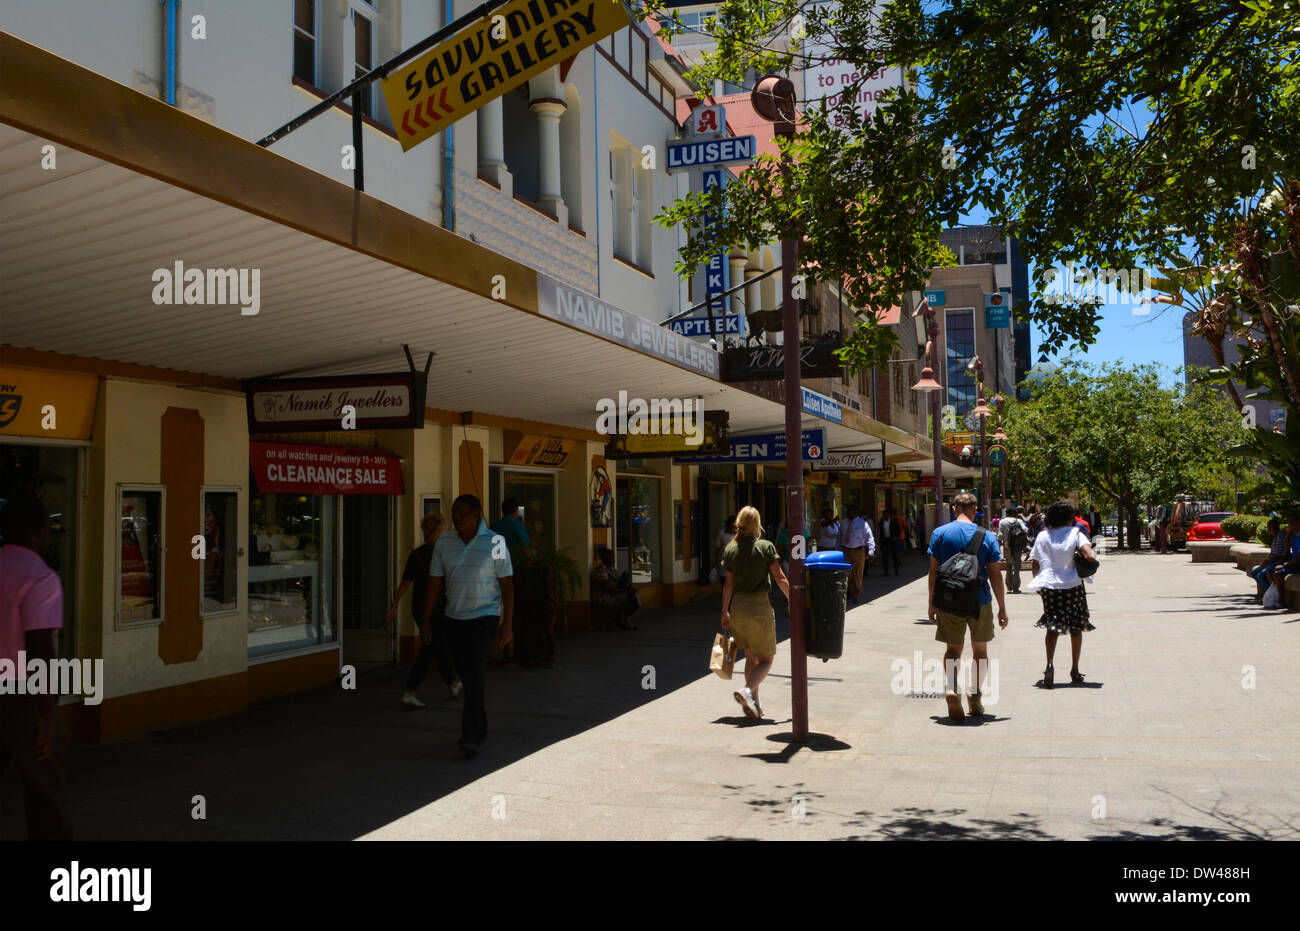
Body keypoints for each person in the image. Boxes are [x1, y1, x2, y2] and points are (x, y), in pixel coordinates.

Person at [0, 494, 74, 839]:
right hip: (21, 697)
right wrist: (46, 715)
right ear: (35, 533)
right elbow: (40, 649)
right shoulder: (41, 578)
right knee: (46, 794)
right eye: (46, 529)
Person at [422, 494, 513, 758]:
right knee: (468, 674)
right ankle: (480, 725)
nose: (456, 516)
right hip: (454, 618)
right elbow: (434, 582)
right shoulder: (444, 543)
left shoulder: (495, 542)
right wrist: (426, 619)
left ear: (477, 514)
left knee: (474, 672)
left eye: (462, 511)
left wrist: (507, 625)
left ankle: (470, 735)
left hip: (484, 617)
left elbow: (507, 584)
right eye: (454, 511)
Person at [926, 492, 1008, 721]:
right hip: (979, 601)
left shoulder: (940, 534)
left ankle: (952, 687)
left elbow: (933, 571)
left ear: (954, 509)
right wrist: (1002, 607)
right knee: (980, 651)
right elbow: (995, 574)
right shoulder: (987, 536)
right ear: (974, 510)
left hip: (949, 601)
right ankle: (975, 695)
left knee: (953, 650)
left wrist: (932, 603)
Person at [720, 506, 790, 720]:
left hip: (738, 608)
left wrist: (724, 611)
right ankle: (747, 691)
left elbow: (728, 585)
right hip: (759, 607)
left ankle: (754, 705)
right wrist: (792, 599)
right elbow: (779, 577)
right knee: (767, 659)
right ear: (757, 524)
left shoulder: (731, 549)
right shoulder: (765, 547)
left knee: (751, 657)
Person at [389, 512, 461, 707]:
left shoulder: (417, 554)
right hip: (437, 607)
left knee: (437, 645)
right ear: (438, 531)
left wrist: (394, 605)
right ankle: (410, 691)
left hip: (419, 607)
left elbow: (405, 582)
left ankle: (452, 683)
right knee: (430, 647)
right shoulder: (443, 554)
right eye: (444, 528)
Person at [1026, 501, 1097, 687]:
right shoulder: (1075, 533)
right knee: (1076, 626)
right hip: (1073, 585)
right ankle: (1074, 669)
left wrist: (1039, 587)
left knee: (1052, 626)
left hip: (1049, 586)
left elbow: (1035, 564)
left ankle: (1049, 664)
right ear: (1069, 517)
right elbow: (1090, 556)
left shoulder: (1042, 536)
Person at [591, 545, 638, 630]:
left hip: (612, 595)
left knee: (634, 598)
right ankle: (624, 621)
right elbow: (608, 589)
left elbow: (618, 583)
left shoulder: (612, 570)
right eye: (611, 558)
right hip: (602, 597)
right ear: (604, 559)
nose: (613, 560)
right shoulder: (600, 570)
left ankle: (623, 619)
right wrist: (626, 590)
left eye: (613, 557)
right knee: (632, 599)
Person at [840, 504, 876, 600]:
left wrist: (871, 550)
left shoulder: (863, 524)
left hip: (858, 550)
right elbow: (839, 538)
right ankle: (849, 591)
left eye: (850, 511)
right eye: (847, 511)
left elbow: (870, 537)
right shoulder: (843, 523)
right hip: (845, 551)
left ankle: (856, 595)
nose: (848, 513)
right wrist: (837, 550)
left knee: (858, 573)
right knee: (847, 572)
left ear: (855, 513)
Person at [1264, 514, 1300, 607]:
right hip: (1294, 563)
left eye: (1293, 524)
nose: (1291, 526)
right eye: (1290, 524)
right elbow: (1287, 545)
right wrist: (1288, 533)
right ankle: (1276, 598)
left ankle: (1282, 600)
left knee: (1278, 572)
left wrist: (1285, 565)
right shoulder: (1295, 536)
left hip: (1297, 564)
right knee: (1273, 571)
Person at [1252, 518, 1290, 603]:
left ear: (1272, 528)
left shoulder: (1280, 536)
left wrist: (1265, 564)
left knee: (1261, 574)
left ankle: (1270, 596)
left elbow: (1277, 555)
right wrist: (1265, 563)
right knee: (1254, 572)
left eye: (1269, 527)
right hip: (1273, 561)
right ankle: (1266, 594)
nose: (1268, 530)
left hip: (1280, 561)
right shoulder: (1276, 536)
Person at [997, 506, 1029, 594]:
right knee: (1017, 568)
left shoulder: (1002, 522)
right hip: (1018, 548)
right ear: (1015, 514)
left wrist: (998, 551)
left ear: (1006, 513)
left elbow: (999, 536)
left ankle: (1009, 587)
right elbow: (1025, 530)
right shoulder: (1018, 521)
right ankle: (1016, 588)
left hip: (1007, 548)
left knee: (1009, 567)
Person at [879, 508, 905, 576]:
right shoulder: (881, 522)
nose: (885, 516)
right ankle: (885, 571)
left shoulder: (894, 521)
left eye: (887, 515)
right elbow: (881, 532)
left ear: (889, 515)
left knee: (894, 555)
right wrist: (880, 540)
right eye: (884, 515)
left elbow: (898, 530)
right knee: (885, 556)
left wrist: (896, 537)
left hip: (893, 540)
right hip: (885, 540)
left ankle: (896, 569)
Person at [714, 515, 737, 580]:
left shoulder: (738, 534)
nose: (735, 527)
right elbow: (717, 548)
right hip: (723, 563)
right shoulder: (722, 533)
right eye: (733, 526)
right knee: (724, 581)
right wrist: (716, 562)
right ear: (729, 525)